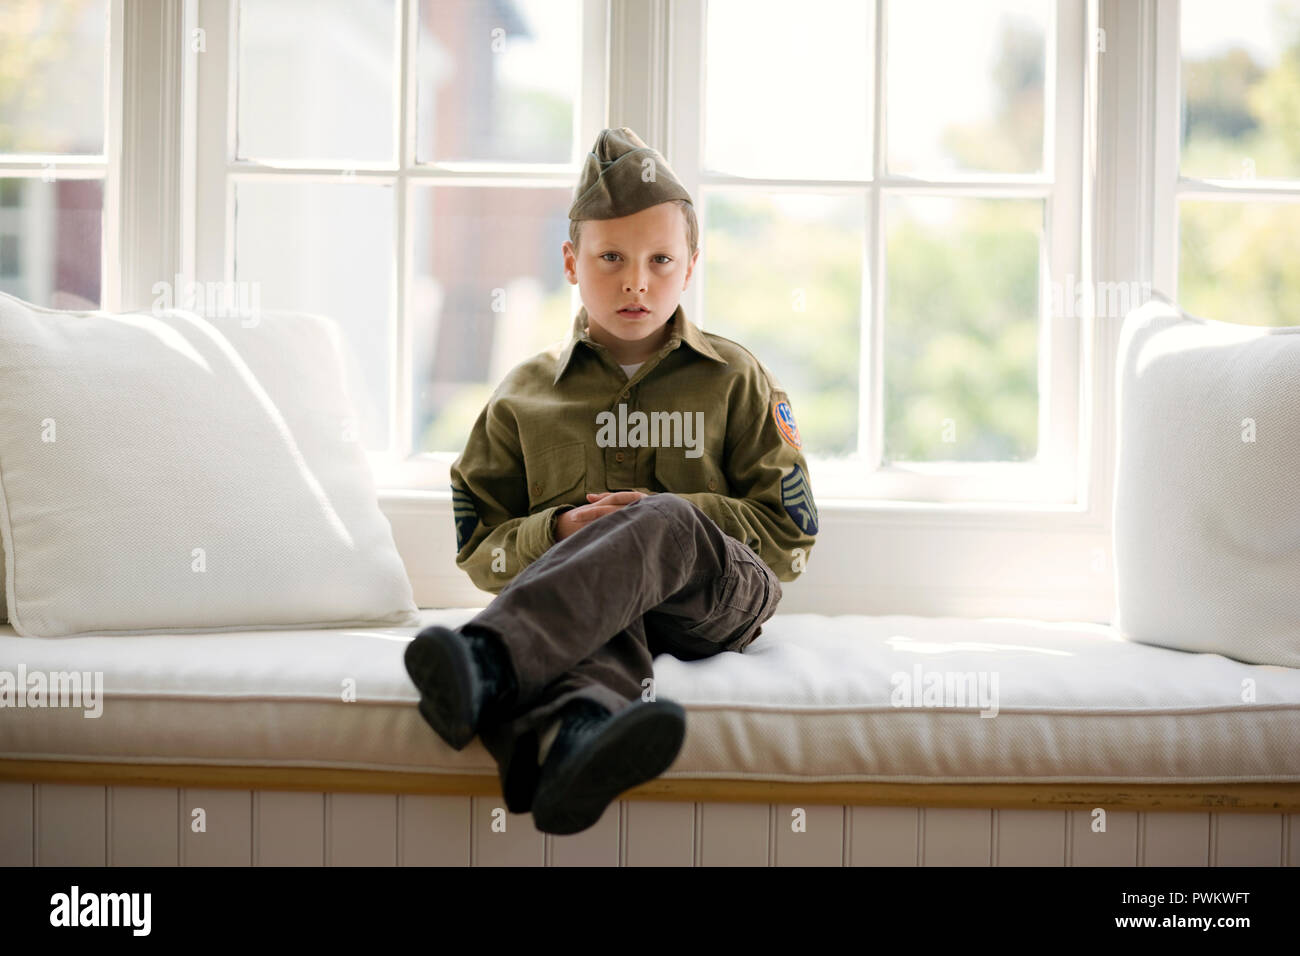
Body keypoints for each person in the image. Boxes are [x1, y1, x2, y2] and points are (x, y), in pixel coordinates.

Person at [404, 126, 819, 836]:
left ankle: (487, 661)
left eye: (661, 259)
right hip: (592, 612)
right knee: (601, 588)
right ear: (571, 262)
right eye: (611, 258)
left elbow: (791, 536)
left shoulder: (737, 380)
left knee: (653, 523)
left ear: (691, 266)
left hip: (715, 601)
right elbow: (479, 547)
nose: (636, 281)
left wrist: (665, 516)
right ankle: (577, 741)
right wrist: (560, 530)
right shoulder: (521, 398)